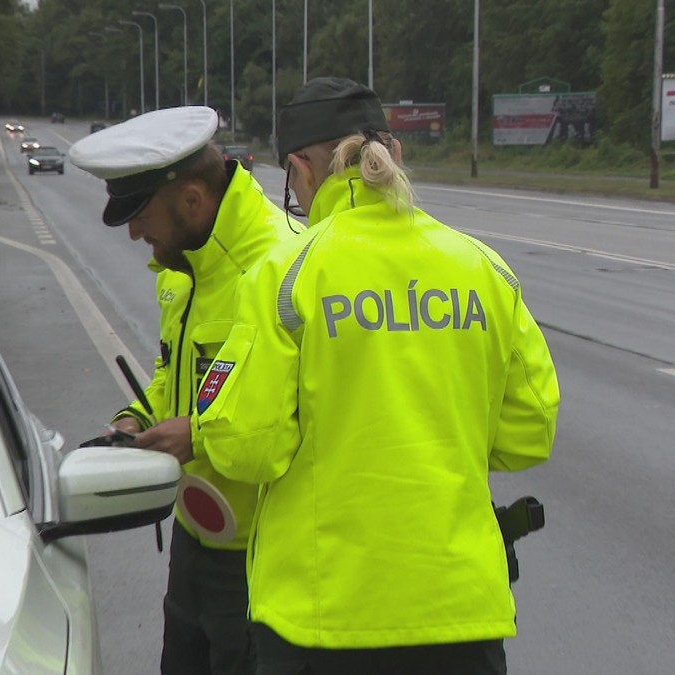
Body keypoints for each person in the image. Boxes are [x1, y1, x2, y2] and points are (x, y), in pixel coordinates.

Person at [192, 78, 561, 674]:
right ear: (395, 153)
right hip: (462, 616)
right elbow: (529, 432)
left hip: (324, 620)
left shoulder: (285, 273)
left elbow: (245, 447)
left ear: (300, 171)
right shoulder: (483, 268)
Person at [68, 106, 295, 675]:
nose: (133, 232)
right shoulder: (181, 268)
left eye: (141, 215)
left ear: (193, 201)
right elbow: (175, 376)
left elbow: (313, 412)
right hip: (195, 545)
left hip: (266, 558)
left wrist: (200, 436)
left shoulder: (285, 267)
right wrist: (134, 421)